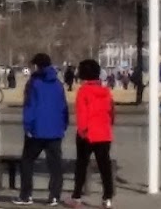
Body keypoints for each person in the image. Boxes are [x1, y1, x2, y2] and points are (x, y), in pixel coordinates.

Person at [16, 52, 68, 206]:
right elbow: (63, 106)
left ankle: (26, 195)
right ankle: (54, 196)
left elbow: (30, 106)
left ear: (37, 66)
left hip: (37, 130)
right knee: (55, 165)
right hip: (55, 130)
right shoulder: (58, 84)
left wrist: (27, 126)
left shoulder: (34, 83)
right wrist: (63, 125)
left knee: (27, 161)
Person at [69, 58, 115, 209]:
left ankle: (77, 197)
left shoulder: (84, 91)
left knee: (81, 166)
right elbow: (111, 112)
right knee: (104, 166)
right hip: (104, 133)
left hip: (87, 133)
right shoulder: (106, 91)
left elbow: (82, 113)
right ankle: (107, 197)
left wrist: (82, 131)